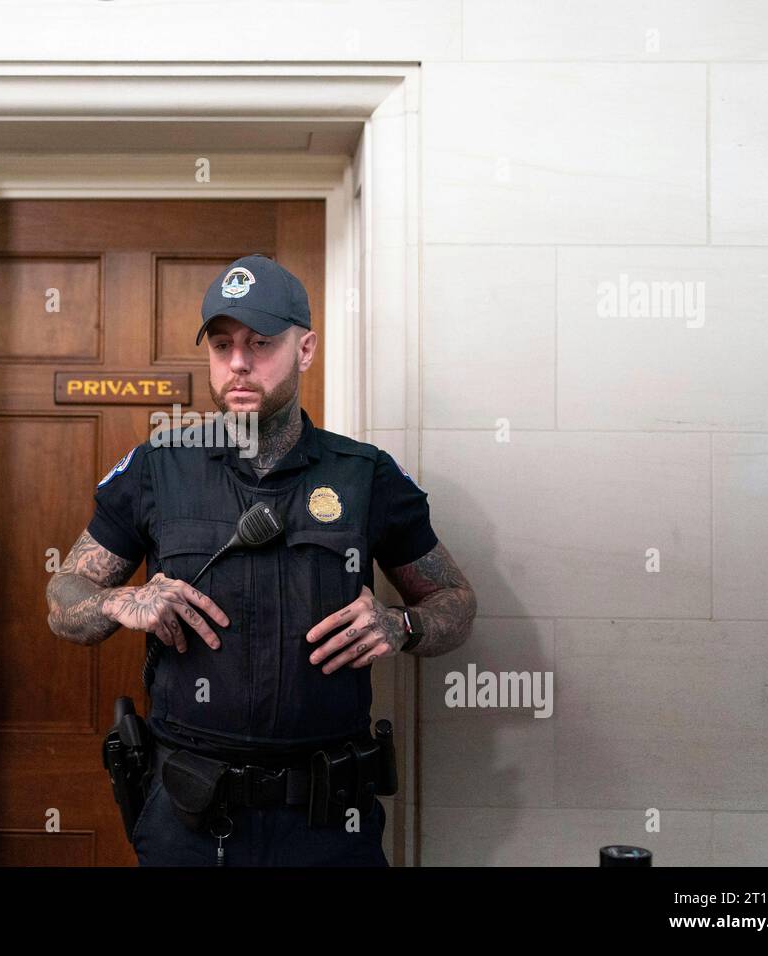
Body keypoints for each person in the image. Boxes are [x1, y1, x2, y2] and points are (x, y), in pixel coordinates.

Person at [46, 254, 477, 866]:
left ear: (305, 350)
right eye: (222, 346)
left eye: (261, 343)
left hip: (328, 822)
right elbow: (63, 597)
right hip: (189, 818)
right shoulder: (157, 469)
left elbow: (456, 602)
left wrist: (402, 626)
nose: (239, 363)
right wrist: (119, 600)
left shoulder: (364, 477)